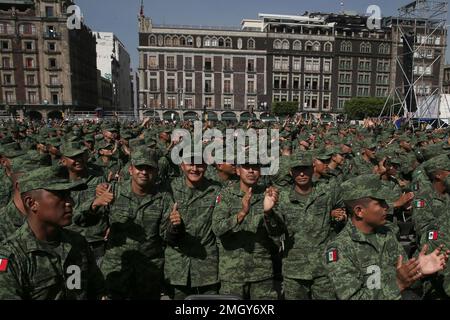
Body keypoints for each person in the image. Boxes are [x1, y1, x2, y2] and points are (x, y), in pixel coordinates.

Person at [322, 174, 448, 300]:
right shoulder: (339, 249)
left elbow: (404, 275)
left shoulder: (386, 233)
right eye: (380, 203)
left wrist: (418, 270)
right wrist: (398, 283)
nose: (387, 207)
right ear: (359, 211)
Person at [0, 166, 105, 300]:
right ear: (32, 203)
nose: (70, 203)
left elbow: (97, 291)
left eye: (69, 195)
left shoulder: (77, 243)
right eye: (61, 196)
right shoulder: (10, 257)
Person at [97, 147, 171, 299]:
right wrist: (94, 206)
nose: (144, 172)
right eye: (140, 167)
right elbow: (85, 221)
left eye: (149, 168)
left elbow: (167, 235)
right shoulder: (114, 191)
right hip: (117, 267)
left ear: (156, 172)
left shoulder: (164, 198)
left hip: (148, 271)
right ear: (130, 170)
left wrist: (175, 226)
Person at [212, 158, 283, 299]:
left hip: (261, 272)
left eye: (255, 167)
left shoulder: (268, 194)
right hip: (232, 273)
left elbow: (278, 231)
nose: (251, 171)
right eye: (246, 167)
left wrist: (269, 212)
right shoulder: (226, 195)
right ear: (238, 170)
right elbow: (218, 228)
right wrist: (242, 213)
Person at [277, 152, 344, 299]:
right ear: (290, 172)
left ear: (312, 169)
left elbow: (344, 211)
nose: (301, 173)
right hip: (294, 269)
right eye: (297, 169)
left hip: (323, 268)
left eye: (305, 169)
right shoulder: (282, 198)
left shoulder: (327, 192)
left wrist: (339, 216)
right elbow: (275, 230)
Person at [162, 152, 221, 300]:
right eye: (190, 164)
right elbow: (163, 233)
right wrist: (174, 226)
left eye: (200, 164)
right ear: (182, 166)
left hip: (207, 267)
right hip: (177, 267)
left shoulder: (216, 190)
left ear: (206, 166)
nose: (195, 168)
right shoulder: (169, 189)